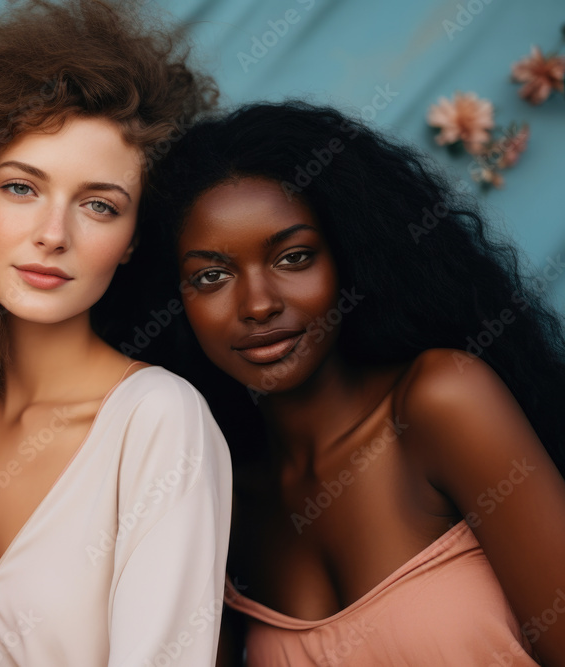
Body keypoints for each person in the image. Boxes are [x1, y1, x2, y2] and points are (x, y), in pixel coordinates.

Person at [142, 101, 565, 666]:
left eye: (293, 258)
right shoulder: (223, 505)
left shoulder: (440, 402)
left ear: (351, 258)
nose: (260, 304)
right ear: (175, 304)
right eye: (211, 276)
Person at [0, 1, 233, 665]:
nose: (53, 234)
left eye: (99, 205)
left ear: (132, 240)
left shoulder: (159, 422)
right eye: (21, 188)